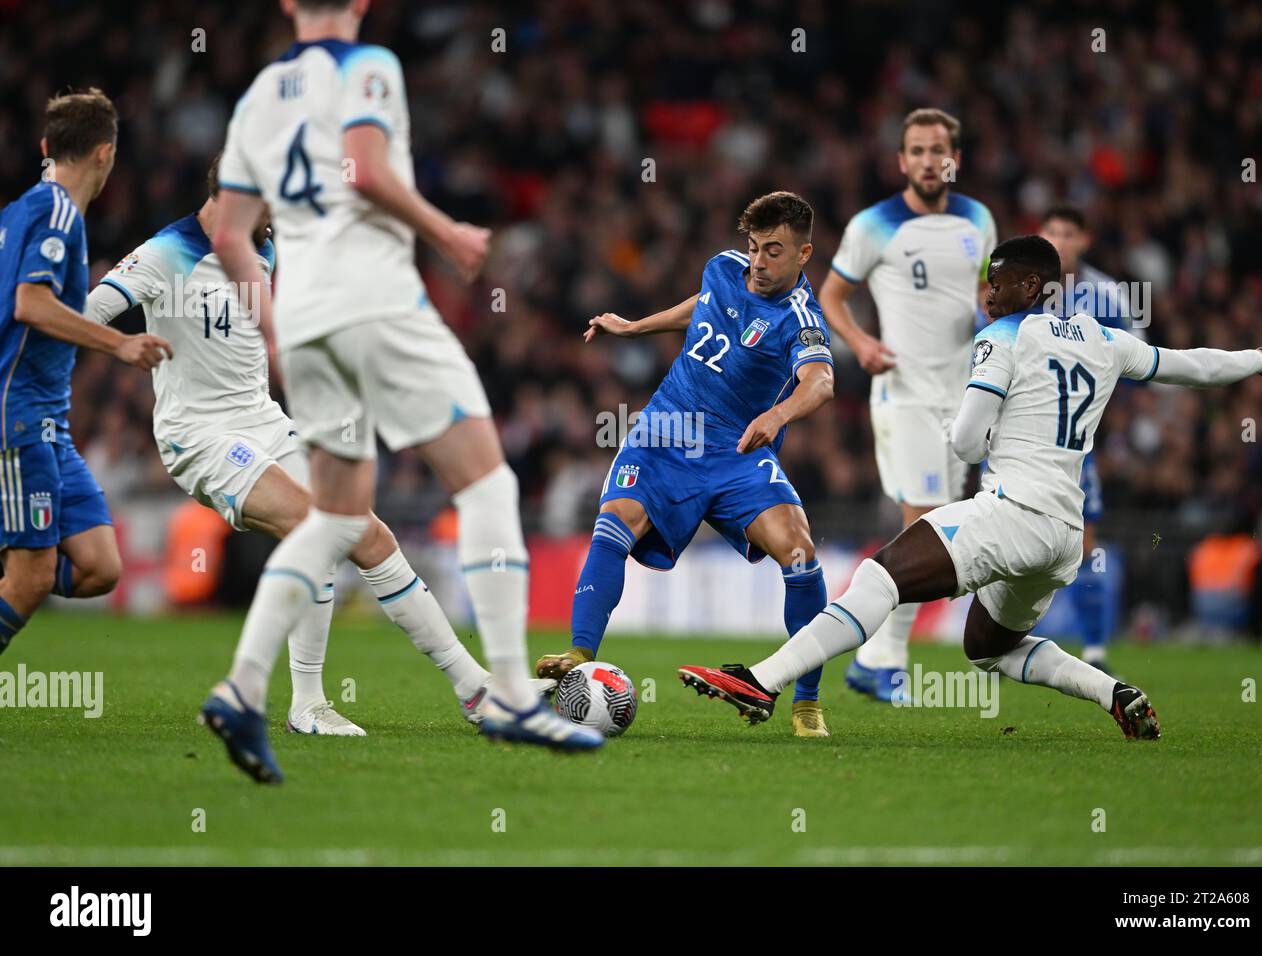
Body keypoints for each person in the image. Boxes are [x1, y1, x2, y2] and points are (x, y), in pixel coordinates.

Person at [200, 0, 602, 783]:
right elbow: (366, 167)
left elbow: (227, 235)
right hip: (378, 297)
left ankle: (243, 686)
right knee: (487, 479)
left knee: (336, 515)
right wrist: (445, 231)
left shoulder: (255, 95)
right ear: (360, 3)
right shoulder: (367, 66)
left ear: (287, 5)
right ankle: (513, 695)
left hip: (308, 314)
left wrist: (277, 330)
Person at [679, 235, 1262, 740]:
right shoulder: (1107, 342)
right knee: (989, 646)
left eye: (996, 283)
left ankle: (761, 680)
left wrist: (955, 427)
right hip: (1063, 538)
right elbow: (1190, 365)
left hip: (1011, 514)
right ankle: (1115, 692)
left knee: (878, 578)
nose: (987, 293)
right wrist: (1259, 360)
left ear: (1031, 288)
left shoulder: (1003, 337)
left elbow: (970, 442)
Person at [85, 155, 550, 735]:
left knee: (369, 532)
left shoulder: (266, 246)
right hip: (200, 436)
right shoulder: (163, 254)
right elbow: (85, 312)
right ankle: (308, 704)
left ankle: (474, 687)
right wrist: (120, 346)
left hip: (264, 422)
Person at [535, 191, 837, 737]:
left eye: (774, 251)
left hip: (738, 448)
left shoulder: (801, 318)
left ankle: (807, 703)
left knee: (799, 552)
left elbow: (821, 380)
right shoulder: (725, 267)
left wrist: (779, 413)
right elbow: (702, 305)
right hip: (665, 430)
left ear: (804, 254)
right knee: (617, 519)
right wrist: (634, 327)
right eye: (754, 247)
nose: (759, 262)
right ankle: (581, 654)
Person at [819, 108, 997, 701]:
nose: (927, 160)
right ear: (901, 161)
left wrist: (985, 320)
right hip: (904, 396)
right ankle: (884, 658)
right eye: (916, 150)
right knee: (924, 525)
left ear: (955, 158)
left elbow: (978, 296)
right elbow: (831, 295)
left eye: (937, 150)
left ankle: (875, 657)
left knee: (936, 531)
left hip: (962, 398)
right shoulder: (875, 225)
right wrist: (862, 343)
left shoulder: (978, 220)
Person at [0, 88, 172, 655]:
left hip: (51, 423)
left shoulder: (21, 213)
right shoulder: (56, 214)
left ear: (47, 145)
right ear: (106, 154)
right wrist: (118, 344)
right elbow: (31, 303)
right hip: (18, 415)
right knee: (31, 581)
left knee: (99, 566)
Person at [1039, 204, 1138, 672]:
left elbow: (1131, 367)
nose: (1059, 241)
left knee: (1085, 545)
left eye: (1068, 233)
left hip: (1077, 441)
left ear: (1085, 240)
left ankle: (1095, 648)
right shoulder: (1024, 287)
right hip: (1022, 439)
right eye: (1051, 232)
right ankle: (1004, 639)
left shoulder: (1107, 298)